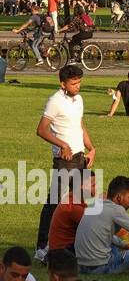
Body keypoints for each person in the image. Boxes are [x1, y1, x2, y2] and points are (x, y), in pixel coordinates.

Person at [35, 64, 97, 259]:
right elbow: (41, 130)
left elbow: (79, 125)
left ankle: (71, 243)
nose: (77, 86)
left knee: (79, 202)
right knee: (54, 203)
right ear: (63, 84)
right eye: (73, 83)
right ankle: (42, 247)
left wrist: (92, 148)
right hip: (64, 161)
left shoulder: (78, 99)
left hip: (80, 158)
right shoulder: (54, 101)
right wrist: (62, 145)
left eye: (79, 82)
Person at [74, 175, 129, 274]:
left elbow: (103, 235)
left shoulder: (95, 204)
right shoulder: (116, 210)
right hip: (102, 267)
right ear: (119, 197)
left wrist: (123, 244)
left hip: (81, 266)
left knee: (114, 246)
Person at [48, 171, 97, 255]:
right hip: (63, 254)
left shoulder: (73, 199)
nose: (97, 188)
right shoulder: (73, 207)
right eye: (93, 185)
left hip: (60, 251)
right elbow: (96, 230)